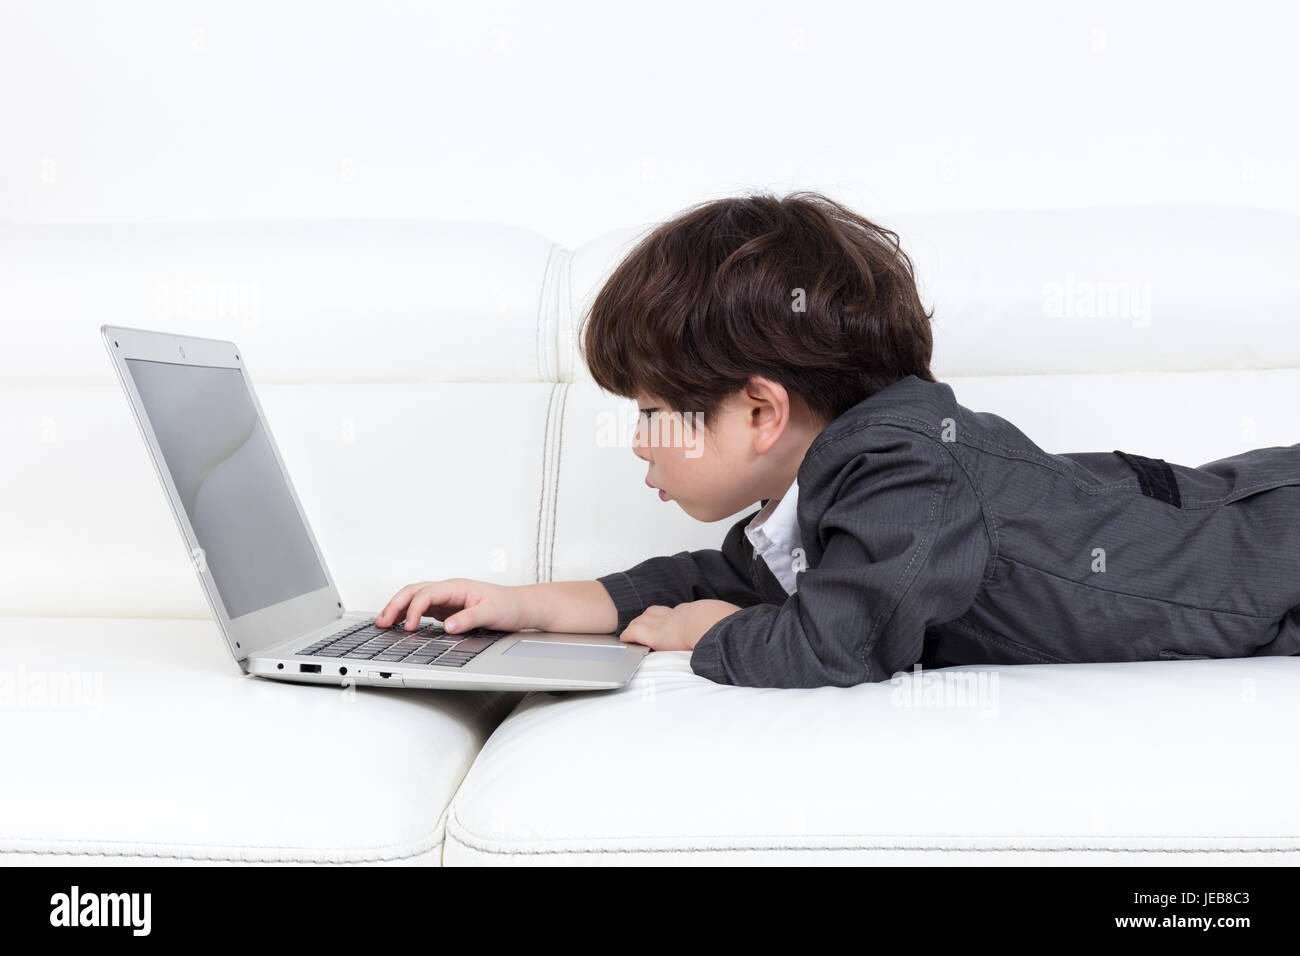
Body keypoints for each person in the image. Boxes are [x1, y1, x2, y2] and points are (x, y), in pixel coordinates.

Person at [377, 191, 1300, 688]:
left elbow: (835, 643)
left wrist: (712, 639)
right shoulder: (844, 480)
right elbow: (721, 577)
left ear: (761, 411)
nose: (639, 445)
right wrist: (527, 605)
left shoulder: (897, 467)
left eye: (655, 414)